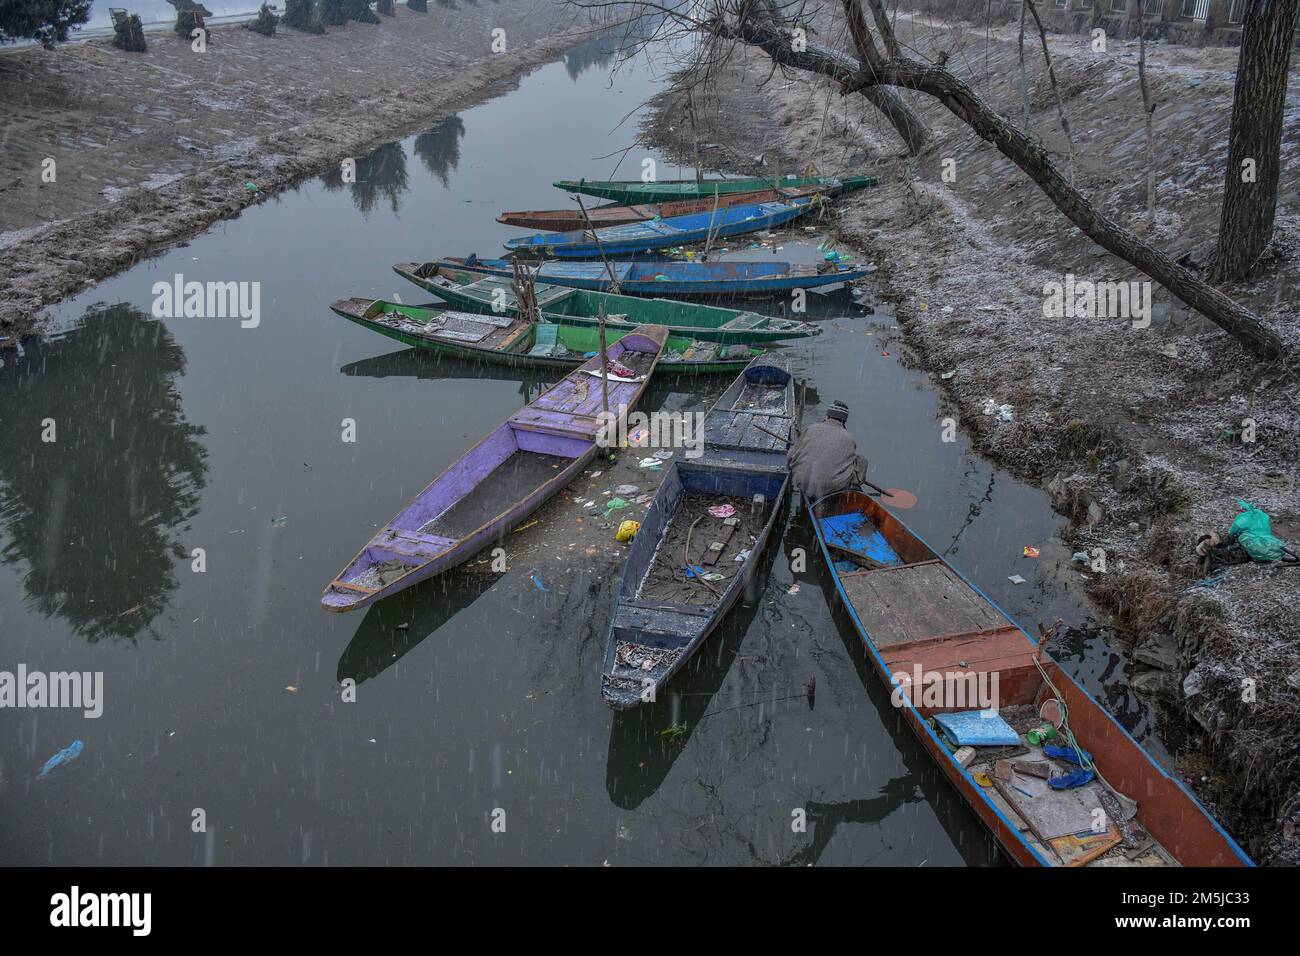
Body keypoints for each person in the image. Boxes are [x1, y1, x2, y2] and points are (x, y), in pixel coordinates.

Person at [789, 401, 868, 501]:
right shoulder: (849, 438)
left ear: (827, 416)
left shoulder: (811, 428)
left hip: (803, 482)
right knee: (861, 460)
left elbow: (791, 456)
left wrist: (791, 468)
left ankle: (810, 487)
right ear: (844, 421)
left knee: (798, 450)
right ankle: (848, 489)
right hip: (831, 489)